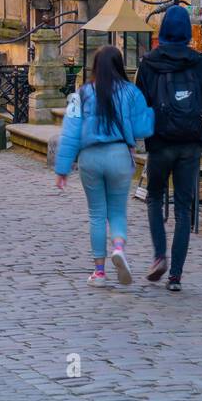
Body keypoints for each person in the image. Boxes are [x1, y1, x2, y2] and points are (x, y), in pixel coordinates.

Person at [55, 44, 156, 287]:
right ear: (120, 66)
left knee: (97, 214)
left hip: (90, 157)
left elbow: (70, 133)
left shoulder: (81, 94)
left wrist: (62, 168)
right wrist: (150, 113)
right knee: (118, 211)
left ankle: (99, 272)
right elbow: (144, 128)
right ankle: (119, 247)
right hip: (119, 154)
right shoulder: (131, 93)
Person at [135, 5, 202, 292]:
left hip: (160, 140)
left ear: (163, 29)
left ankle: (159, 256)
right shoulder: (200, 62)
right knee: (183, 207)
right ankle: (176, 275)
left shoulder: (149, 63)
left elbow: (141, 104)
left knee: (155, 198)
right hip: (190, 142)